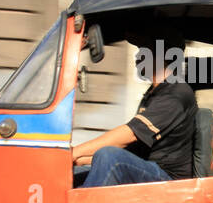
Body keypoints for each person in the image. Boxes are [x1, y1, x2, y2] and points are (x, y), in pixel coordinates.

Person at [73, 27, 197, 187]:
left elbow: (129, 134)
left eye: (143, 49)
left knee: (109, 157)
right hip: (147, 167)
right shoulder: (154, 93)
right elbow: (133, 149)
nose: (137, 56)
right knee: (75, 170)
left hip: (168, 180)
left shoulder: (176, 93)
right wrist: (78, 159)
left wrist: (75, 152)